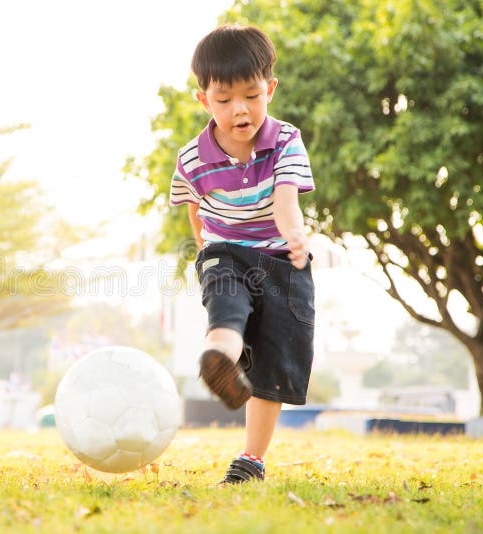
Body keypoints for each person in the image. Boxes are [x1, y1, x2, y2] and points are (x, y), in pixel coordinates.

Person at [169, 24, 315, 485]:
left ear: (270, 89)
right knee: (226, 307)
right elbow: (194, 208)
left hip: (280, 259)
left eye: (251, 96)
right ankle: (221, 358)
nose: (240, 110)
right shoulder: (192, 157)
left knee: (271, 362)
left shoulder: (287, 140)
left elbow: (286, 199)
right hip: (225, 252)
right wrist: (203, 248)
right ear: (204, 100)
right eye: (225, 99)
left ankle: (251, 460)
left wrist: (295, 236)